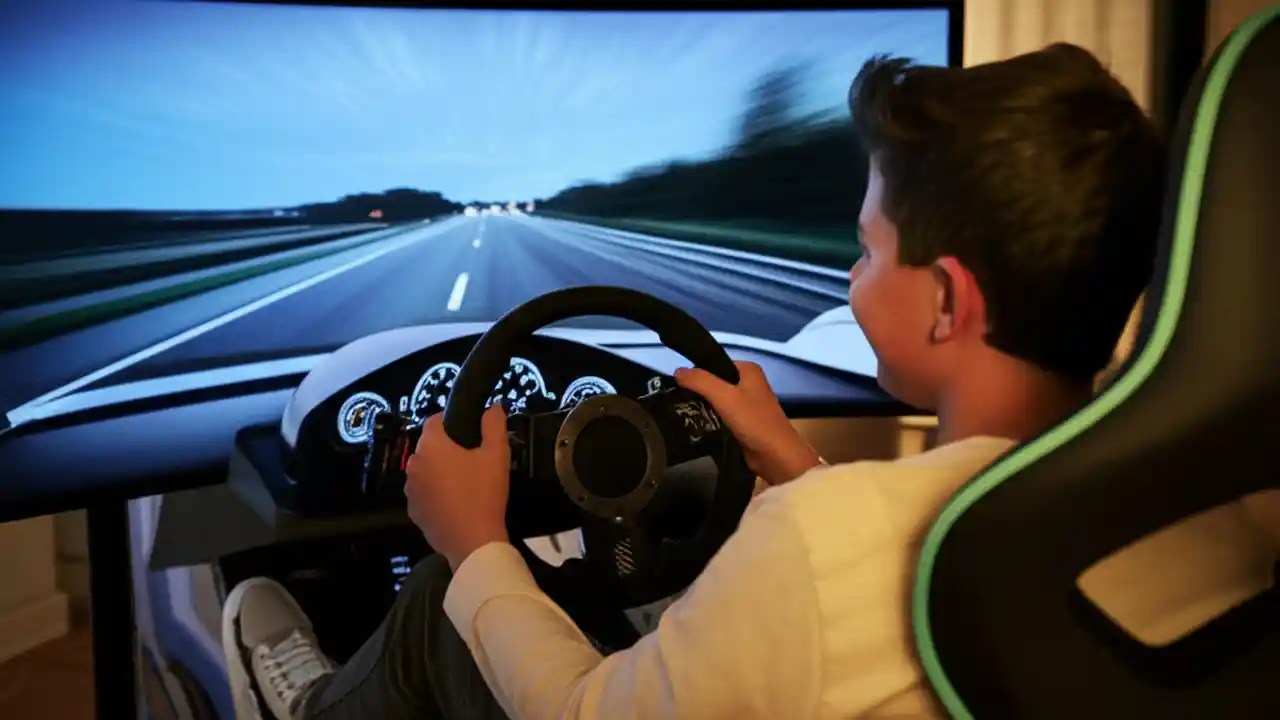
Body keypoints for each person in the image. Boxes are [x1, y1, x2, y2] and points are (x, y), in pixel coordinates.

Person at [222, 43, 1169, 719]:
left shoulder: (813, 547)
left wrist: (471, 541)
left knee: (438, 602)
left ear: (946, 302)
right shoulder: (1182, 507)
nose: (851, 272)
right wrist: (795, 460)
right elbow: (905, 553)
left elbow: (582, 707)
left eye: (869, 246)